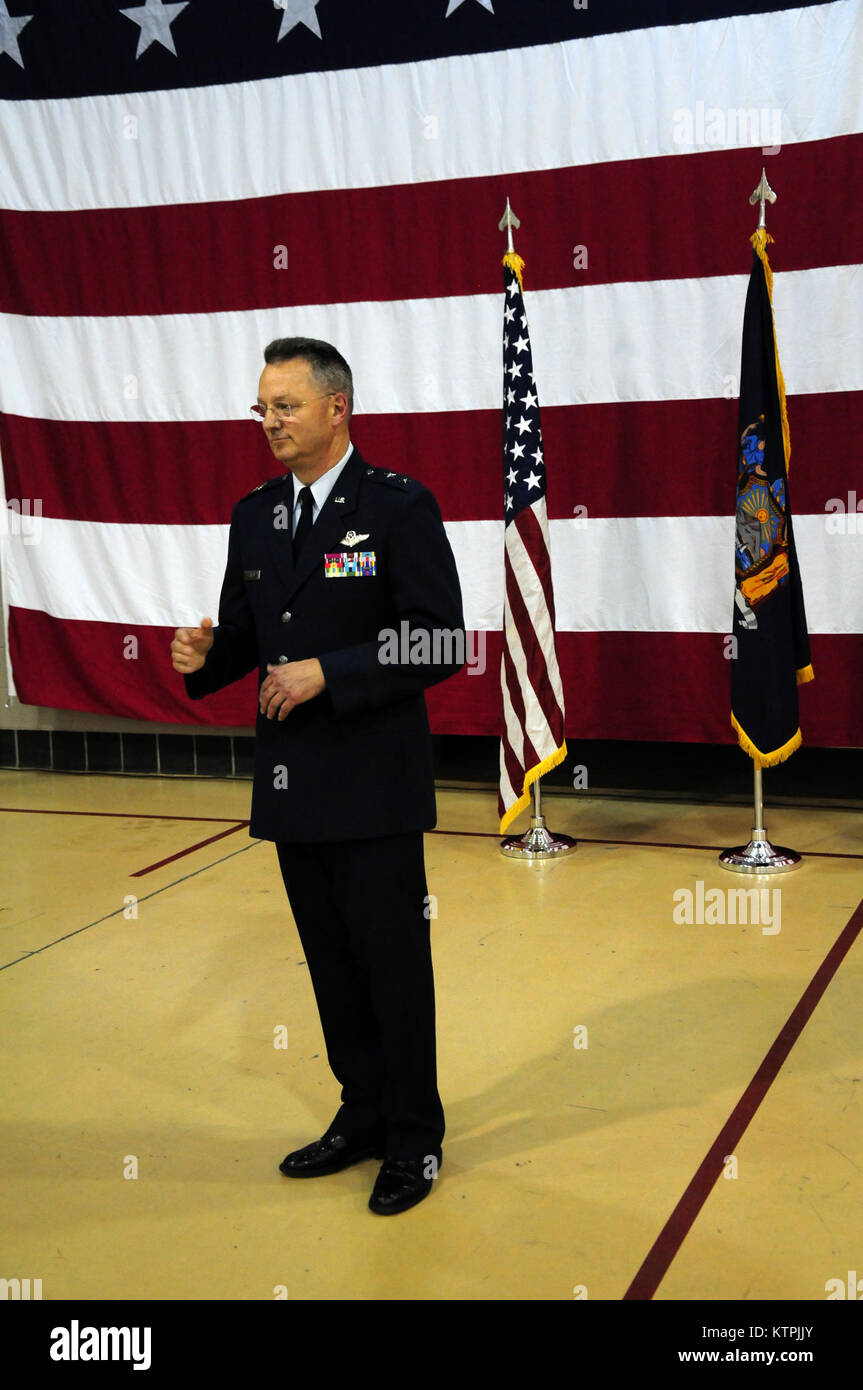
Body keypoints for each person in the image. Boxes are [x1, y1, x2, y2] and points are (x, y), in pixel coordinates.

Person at [170, 337, 464, 1215]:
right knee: (331, 969)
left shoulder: (399, 508)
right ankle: (362, 1113)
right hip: (293, 785)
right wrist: (205, 657)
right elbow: (251, 635)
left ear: (338, 408)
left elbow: (440, 639)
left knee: (392, 968)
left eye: (285, 406)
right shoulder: (255, 514)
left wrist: (330, 672)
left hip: (373, 787)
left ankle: (415, 1139)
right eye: (261, 407)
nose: (268, 422)